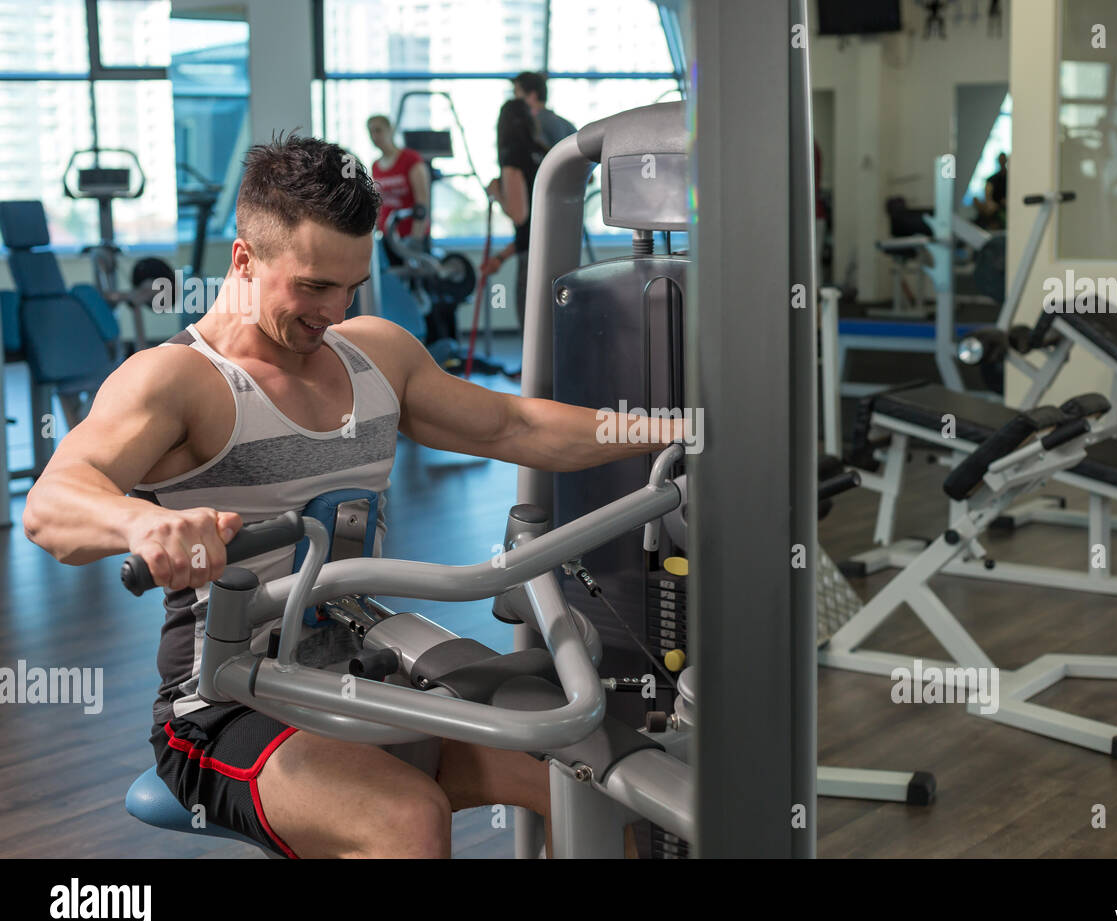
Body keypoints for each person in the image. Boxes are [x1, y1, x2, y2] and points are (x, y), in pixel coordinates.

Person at [21, 131, 681, 859]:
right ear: (244, 261)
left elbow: (515, 423)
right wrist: (142, 525)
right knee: (405, 818)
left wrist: (676, 430)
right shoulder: (178, 381)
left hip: (367, 666)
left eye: (349, 287)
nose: (333, 310)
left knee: (592, 776)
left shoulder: (377, 355)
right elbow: (52, 505)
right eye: (311, 286)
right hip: (225, 703)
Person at [481, 99, 545, 335]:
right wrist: (500, 258)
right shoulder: (542, 151)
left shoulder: (513, 157)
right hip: (555, 248)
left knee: (531, 323)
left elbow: (520, 216)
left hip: (533, 258)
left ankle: (534, 373)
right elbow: (531, 228)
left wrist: (496, 193)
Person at [366, 114, 431, 268]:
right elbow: (378, 203)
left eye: (378, 130)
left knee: (415, 282)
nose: (375, 136)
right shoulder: (375, 165)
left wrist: (416, 238)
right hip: (389, 237)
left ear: (391, 130)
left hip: (412, 235)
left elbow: (422, 200)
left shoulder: (410, 159)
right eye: (371, 132)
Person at [513, 71, 577, 150]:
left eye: (517, 92)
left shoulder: (537, 123)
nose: (514, 98)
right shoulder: (564, 123)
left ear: (532, 96)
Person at [974, 151, 1009, 231]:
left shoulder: (1009, 178)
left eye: (1003, 159)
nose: (1002, 162)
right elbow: (988, 194)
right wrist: (989, 202)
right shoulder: (992, 179)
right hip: (995, 205)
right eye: (1001, 160)